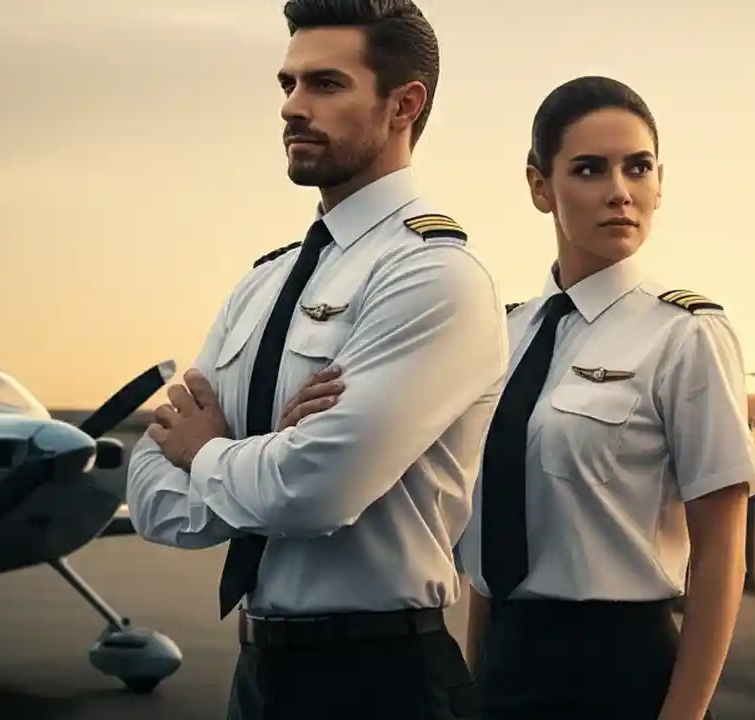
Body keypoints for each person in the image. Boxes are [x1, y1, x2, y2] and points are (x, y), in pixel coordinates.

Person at [288, 75, 755, 720]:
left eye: (639, 168)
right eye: (590, 170)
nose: (620, 193)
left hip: (625, 673)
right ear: (541, 187)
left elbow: (719, 556)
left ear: (660, 183)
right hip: (500, 670)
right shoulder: (499, 333)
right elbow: (491, 526)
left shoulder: (686, 336)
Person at [124, 1, 507, 718]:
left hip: (381, 679)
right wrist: (268, 454)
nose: (293, 108)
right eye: (287, 85)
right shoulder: (264, 282)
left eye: (325, 85)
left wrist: (213, 453)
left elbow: (317, 490)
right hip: (257, 675)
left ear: (404, 105)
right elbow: (151, 496)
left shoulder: (432, 276)